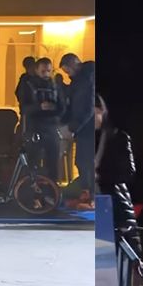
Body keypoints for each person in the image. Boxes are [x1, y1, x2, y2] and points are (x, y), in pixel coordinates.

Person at [94, 95, 139, 253]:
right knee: (99, 258)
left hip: (116, 206)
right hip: (93, 207)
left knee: (122, 258)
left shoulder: (118, 137)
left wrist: (101, 177)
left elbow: (128, 172)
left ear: (101, 111)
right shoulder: (86, 140)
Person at [22, 58, 65, 183]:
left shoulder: (55, 87)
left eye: (49, 71)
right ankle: (32, 187)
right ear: (36, 70)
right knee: (33, 161)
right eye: (43, 71)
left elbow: (62, 107)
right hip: (34, 128)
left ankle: (52, 188)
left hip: (51, 128)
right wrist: (39, 107)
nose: (46, 74)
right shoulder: (28, 86)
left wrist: (54, 108)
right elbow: (24, 108)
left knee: (52, 162)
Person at [60, 53, 95, 202]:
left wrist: (73, 127)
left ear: (74, 64)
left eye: (68, 71)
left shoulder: (87, 80)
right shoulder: (80, 80)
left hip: (87, 128)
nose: (68, 75)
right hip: (84, 128)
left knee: (85, 161)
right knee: (83, 161)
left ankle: (89, 193)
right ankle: (87, 192)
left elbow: (87, 108)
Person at [15, 56, 36, 135]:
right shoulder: (26, 79)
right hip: (29, 111)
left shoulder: (24, 79)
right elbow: (19, 93)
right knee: (27, 132)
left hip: (28, 110)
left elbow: (18, 93)